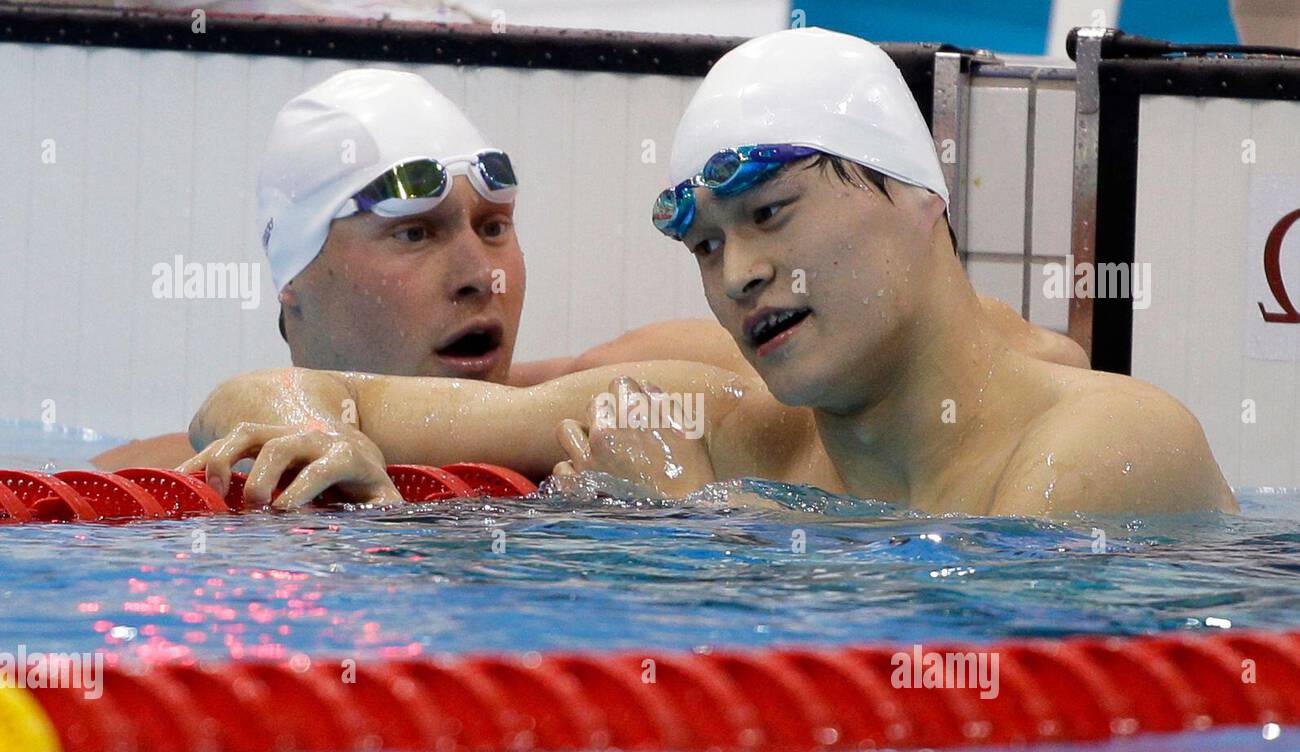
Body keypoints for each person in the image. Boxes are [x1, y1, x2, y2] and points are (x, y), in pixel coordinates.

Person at [183, 30, 1214, 517]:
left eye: (767, 215)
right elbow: (260, 398)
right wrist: (315, 438)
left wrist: (697, 529)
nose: (741, 275)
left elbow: (963, 687)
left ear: (918, 196)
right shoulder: (710, 424)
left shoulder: (1112, 440)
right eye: (707, 247)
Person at [95, 65, 1084, 471]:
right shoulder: (187, 476)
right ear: (293, 292)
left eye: (493, 227)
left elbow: (1042, 361)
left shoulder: (617, 388)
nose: (480, 272)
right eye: (416, 233)